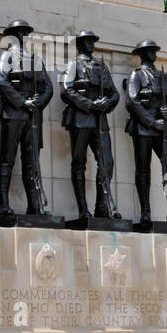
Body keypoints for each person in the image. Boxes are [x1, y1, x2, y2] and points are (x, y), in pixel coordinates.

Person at [0, 19, 53, 217]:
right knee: (7, 158)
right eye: (19, 32)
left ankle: (34, 206)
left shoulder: (35, 59)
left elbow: (48, 86)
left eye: (25, 32)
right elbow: (1, 82)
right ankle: (3, 205)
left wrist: (38, 102)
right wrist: (22, 102)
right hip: (13, 112)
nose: (23, 36)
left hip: (33, 115)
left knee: (32, 161)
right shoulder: (6, 57)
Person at [60, 29, 121, 220]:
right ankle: (82, 210)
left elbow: (115, 93)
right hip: (80, 119)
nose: (91, 44)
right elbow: (66, 90)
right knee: (79, 163)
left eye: (92, 41)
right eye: (88, 41)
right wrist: (90, 104)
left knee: (107, 162)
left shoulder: (101, 67)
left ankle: (102, 207)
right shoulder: (73, 65)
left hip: (100, 121)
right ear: (80, 44)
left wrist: (106, 103)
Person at [124, 39, 167, 222]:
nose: (153, 53)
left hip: (162, 129)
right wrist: (152, 122)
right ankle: (145, 212)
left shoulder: (162, 76)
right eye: (149, 50)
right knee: (143, 170)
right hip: (144, 128)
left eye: (154, 50)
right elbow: (131, 102)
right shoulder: (137, 75)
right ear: (142, 54)